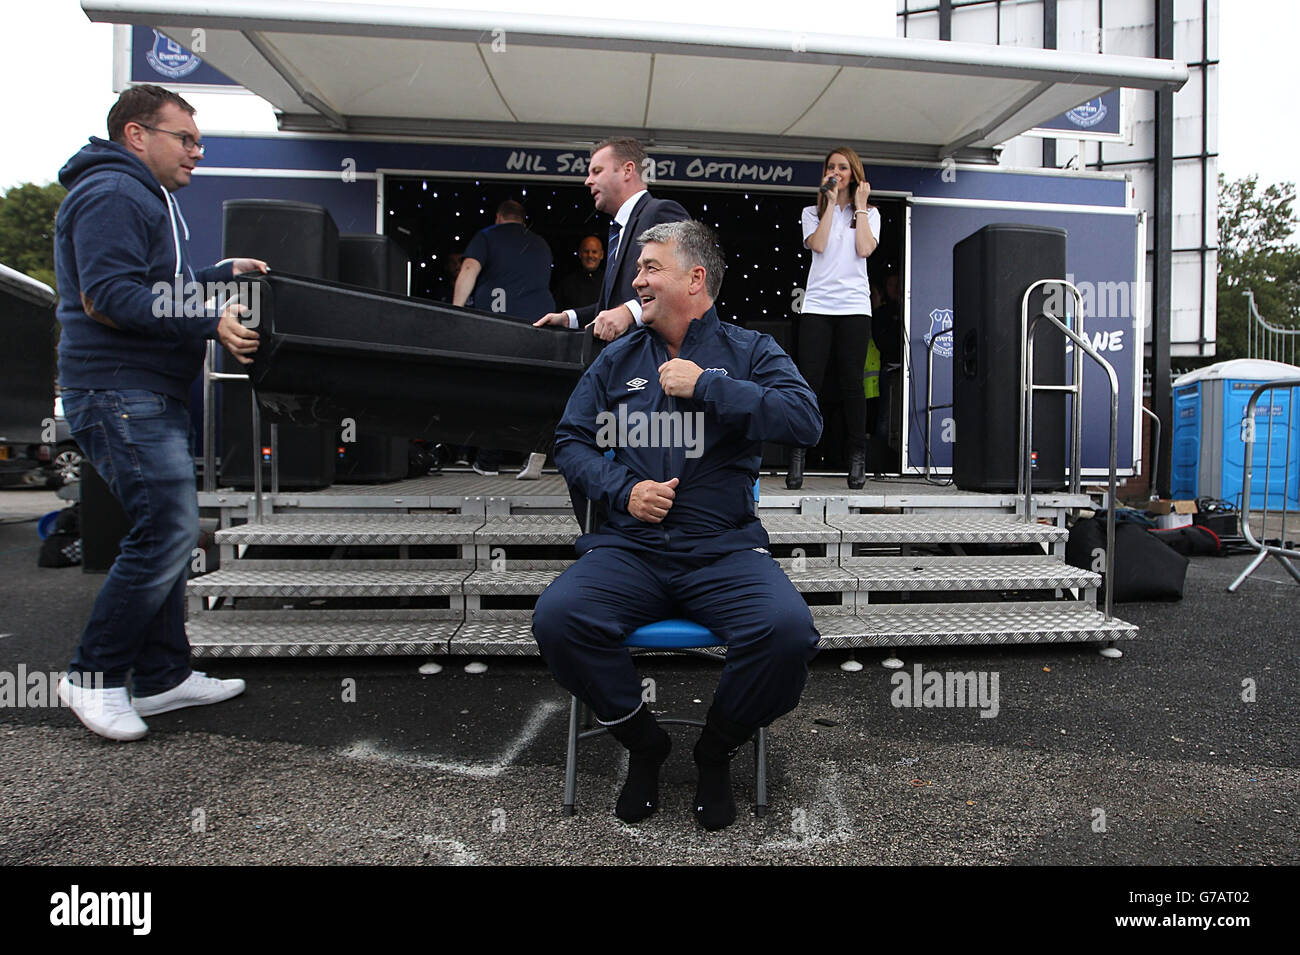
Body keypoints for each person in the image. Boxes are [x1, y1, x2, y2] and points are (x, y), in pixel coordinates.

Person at [532, 220, 822, 831]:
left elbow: (804, 421)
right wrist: (623, 488)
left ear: (695, 278)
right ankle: (644, 743)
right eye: (638, 268)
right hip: (629, 549)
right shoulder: (619, 358)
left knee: (786, 633)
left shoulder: (749, 352)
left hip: (722, 552)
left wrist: (711, 386)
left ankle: (715, 750)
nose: (636, 280)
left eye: (650, 268)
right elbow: (571, 441)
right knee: (560, 619)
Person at [53, 85, 264, 741]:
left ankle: (164, 674)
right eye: (187, 139)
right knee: (169, 530)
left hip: (145, 390)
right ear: (137, 134)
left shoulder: (144, 196)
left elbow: (150, 287)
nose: (197, 152)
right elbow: (108, 295)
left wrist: (214, 272)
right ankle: (93, 675)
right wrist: (207, 316)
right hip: (118, 389)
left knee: (170, 531)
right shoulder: (114, 192)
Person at [786, 145, 880, 490]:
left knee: (851, 383)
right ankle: (798, 457)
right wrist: (829, 201)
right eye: (831, 167)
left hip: (854, 307)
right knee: (808, 380)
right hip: (818, 306)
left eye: (843, 168)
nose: (836, 172)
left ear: (854, 173)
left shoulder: (870, 213)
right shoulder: (811, 212)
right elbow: (820, 245)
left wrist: (858, 207)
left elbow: (865, 249)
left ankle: (857, 458)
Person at [534, 138, 688, 341]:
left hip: (652, 360)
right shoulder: (618, 230)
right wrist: (569, 318)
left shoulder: (661, 212)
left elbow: (683, 282)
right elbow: (613, 306)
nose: (587, 181)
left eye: (597, 171)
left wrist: (627, 313)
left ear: (627, 170)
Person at [453, 199, 555, 477]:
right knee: (531, 391)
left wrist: (456, 313)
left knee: (494, 391)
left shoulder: (486, 236)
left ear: (499, 217)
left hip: (497, 326)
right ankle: (535, 447)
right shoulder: (541, 244)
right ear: (523, 220)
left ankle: (488, 460)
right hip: (538, 325)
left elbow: (469, 269)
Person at [554, 234, 605, 311]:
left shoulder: (609, 282)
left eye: (594, 252)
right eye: (586, 251)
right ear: (580, 254)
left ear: (601, 255)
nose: (590, 255)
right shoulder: (567, 284)